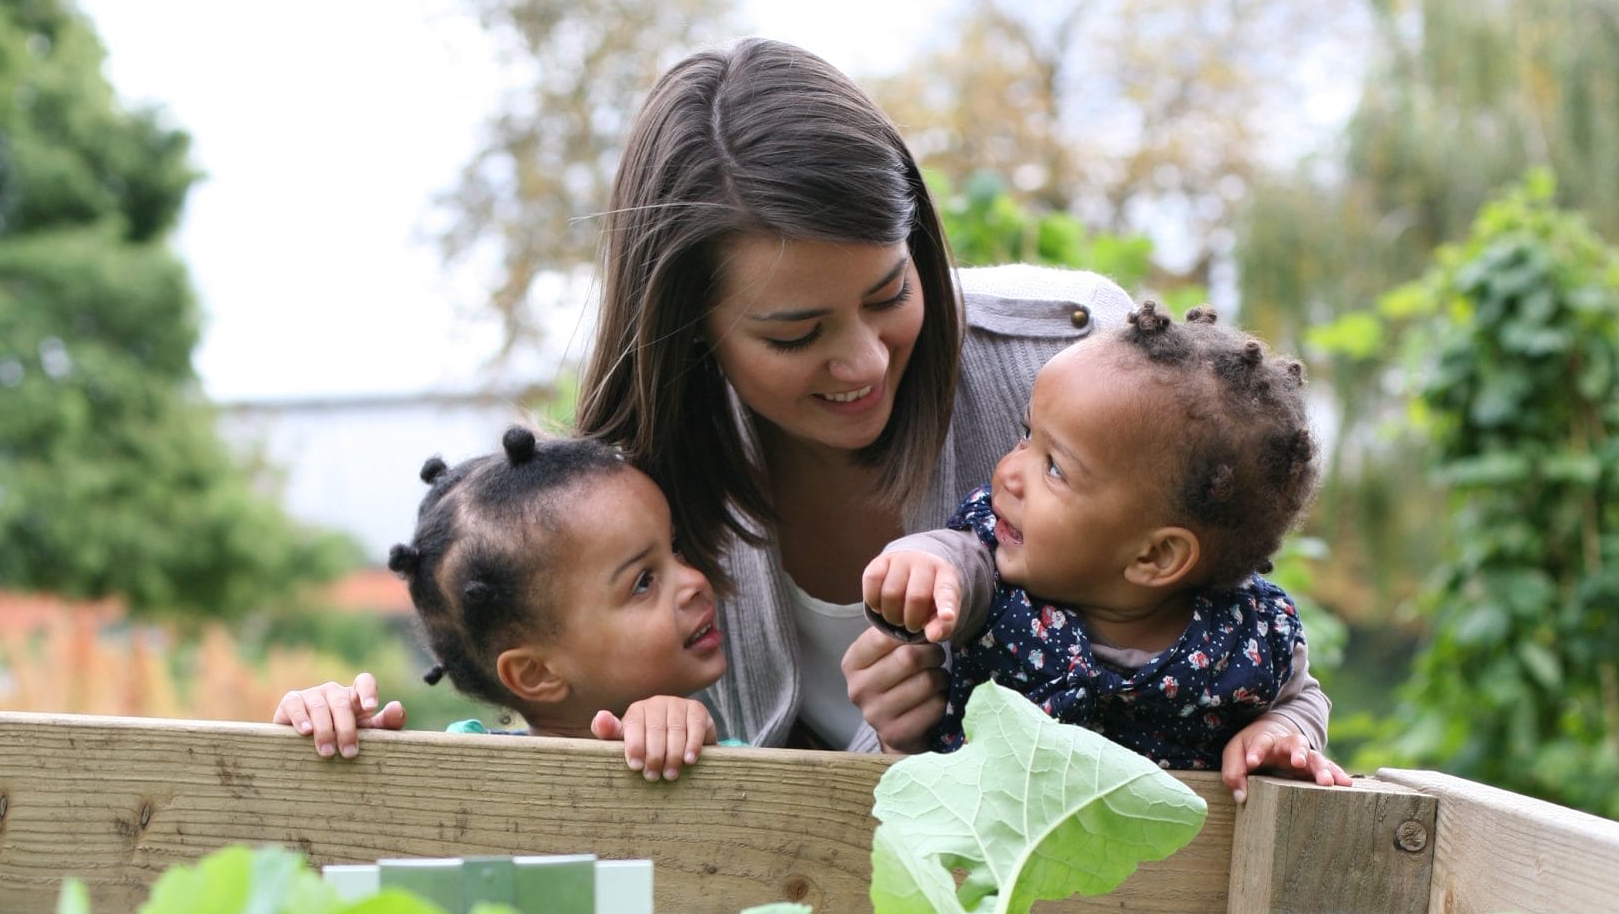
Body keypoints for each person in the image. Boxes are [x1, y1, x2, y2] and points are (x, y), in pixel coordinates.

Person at [280, 40, 1327, 770]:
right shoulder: (629, 501)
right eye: (794, 334)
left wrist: (1288, 735)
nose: (864, 359)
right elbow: (557, 732)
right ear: (694, 332)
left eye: (890, 293)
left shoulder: (1076, 368)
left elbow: (1232, 626)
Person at [858, 302, 1351, 799]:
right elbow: (956, 561)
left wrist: (1280, 732)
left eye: (1054, 468)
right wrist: (921, 566)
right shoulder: (996, 581)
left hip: (1171, 874)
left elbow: (1302, 697)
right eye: (1027, 435)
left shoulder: (1247, 639)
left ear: (1155, 557)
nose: (1008, 472)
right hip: (991, 858)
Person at [275, 427, 725, 781]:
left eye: (677, 548)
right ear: (536, 673)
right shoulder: (457, 773)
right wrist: (323, 735)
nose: (695, 581)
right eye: (644, 582)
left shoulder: (708, 750)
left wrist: (691, 744)